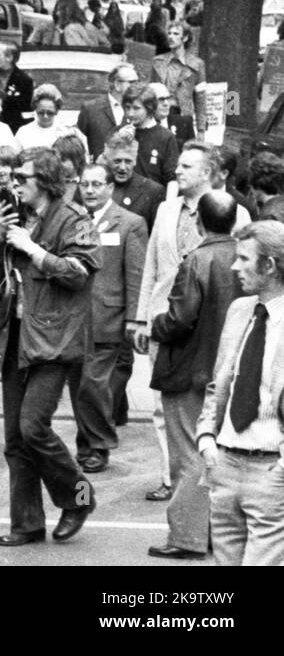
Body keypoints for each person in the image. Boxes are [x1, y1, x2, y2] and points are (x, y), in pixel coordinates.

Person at [0, 149, 100, 546]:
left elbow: (79, 273)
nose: (14, 180)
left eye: (23, 174)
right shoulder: (18, 217)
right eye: (13, 173)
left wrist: (34, 250)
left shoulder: (74, 220)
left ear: (47, 181)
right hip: (17, 335)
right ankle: (27, 524)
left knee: (33, 425)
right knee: (15, 439)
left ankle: (78, 497)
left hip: (55, 337)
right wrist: (1, 238)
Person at [135, 144, 249, 502]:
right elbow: (152, 265)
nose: (177, 171)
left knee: (210, 405)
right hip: (164, 320)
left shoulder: (235, 213)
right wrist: (141, 318)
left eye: (187, 166)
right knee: (163, 405)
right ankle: (174, 478)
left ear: (208, 172)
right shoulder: (166, 210)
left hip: (211, 324)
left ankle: (208, 485)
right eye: (178, 165)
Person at [148, 191, 242, 560]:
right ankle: (210, 533)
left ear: (197, 220)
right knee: (218, 453)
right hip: (228, 369)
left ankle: (187, 535)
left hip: (190, 369)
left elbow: (179, 318)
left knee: (187, 453)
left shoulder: (197, 260)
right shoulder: (242, 258)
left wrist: (156, 325)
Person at [196, 220, 284, 566]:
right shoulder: (239, 311)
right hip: (225, 462)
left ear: (270, 265)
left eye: (244, 259)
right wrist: (206, 438)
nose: (235, 267)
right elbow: (218, 383)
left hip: (270, 469)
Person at [68, 162, 147, 475]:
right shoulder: (72, 220)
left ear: (110, 188)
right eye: (85, 184)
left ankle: (99, 445)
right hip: (73, 319)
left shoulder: (130, 223)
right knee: (77, 387)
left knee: (93, 384)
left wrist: (134, 318)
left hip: (108, 317)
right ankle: (86, 444)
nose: (89, 190)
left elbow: (137, 274)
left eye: (96, 185)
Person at [77, 62, 139, 160]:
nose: (136, 86)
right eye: (132, 82)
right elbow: (79, 142)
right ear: (117, 84)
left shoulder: (139, 109)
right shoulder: (91, 109)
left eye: (137, 82)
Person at [105, 130, 165, 233]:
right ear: (108, 160)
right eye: (117, 161)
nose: (123, 167)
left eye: (128, 161)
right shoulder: (96, 185)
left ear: (135, 161)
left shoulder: (153, 191)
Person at [121, 82, 179, 186]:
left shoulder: (165, 136)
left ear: (149, 108)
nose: (130, 113)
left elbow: (171, 177)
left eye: (136, 108)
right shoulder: (119, 132)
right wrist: (117, 141)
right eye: (127, 107)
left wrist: (170, 201)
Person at [152, 22, 205, 124]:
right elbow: (150, 93)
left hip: (184, 116)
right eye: (169, 33)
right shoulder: (157, 62)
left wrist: (201, 128)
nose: (171, 37)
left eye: (176, 34)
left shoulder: (197, 64)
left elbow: (201, 98)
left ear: (185, 38)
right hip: (161, 116)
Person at [13, 84, 86, 152]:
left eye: (50, 113)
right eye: (41, 112)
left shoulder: (68, 131)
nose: (45, 116)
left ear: (56, 111)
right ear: (35, 109)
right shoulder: (23, 132)